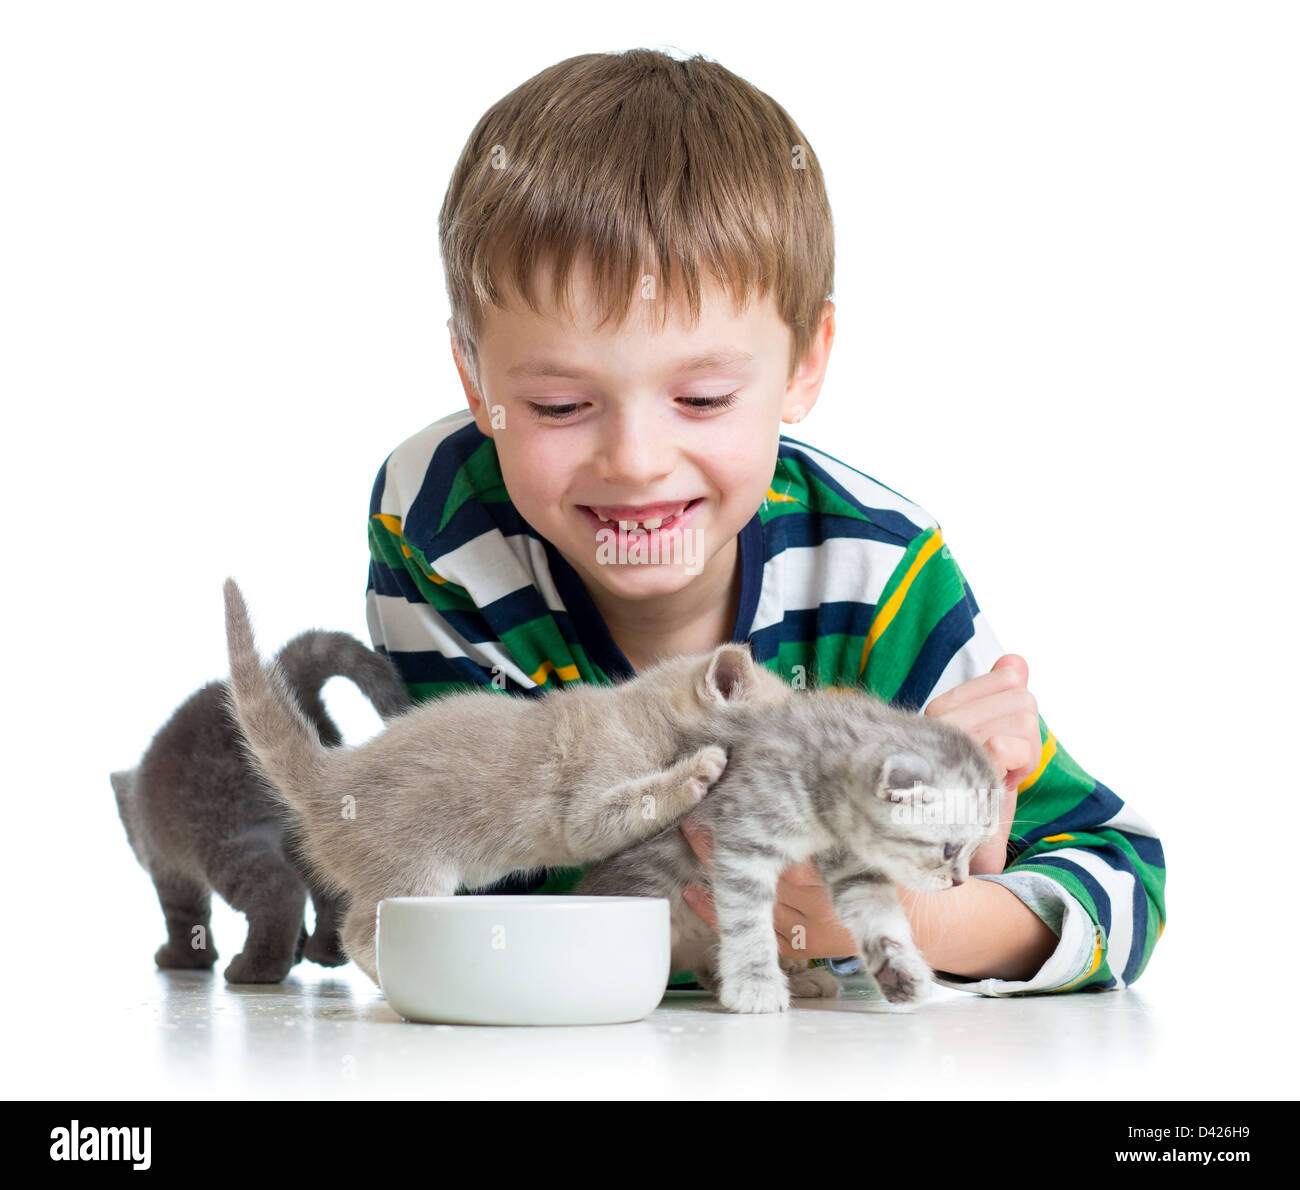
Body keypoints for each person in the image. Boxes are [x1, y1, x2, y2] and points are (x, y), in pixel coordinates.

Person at [365, 49, 1165, 997]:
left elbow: (1124, 879)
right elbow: (455, 870)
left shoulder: (878, 572)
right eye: (557, 406)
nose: (636, 459)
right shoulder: (443, 525)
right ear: (474, 378)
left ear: (803, 368)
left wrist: (921, 907)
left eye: (701, 398)